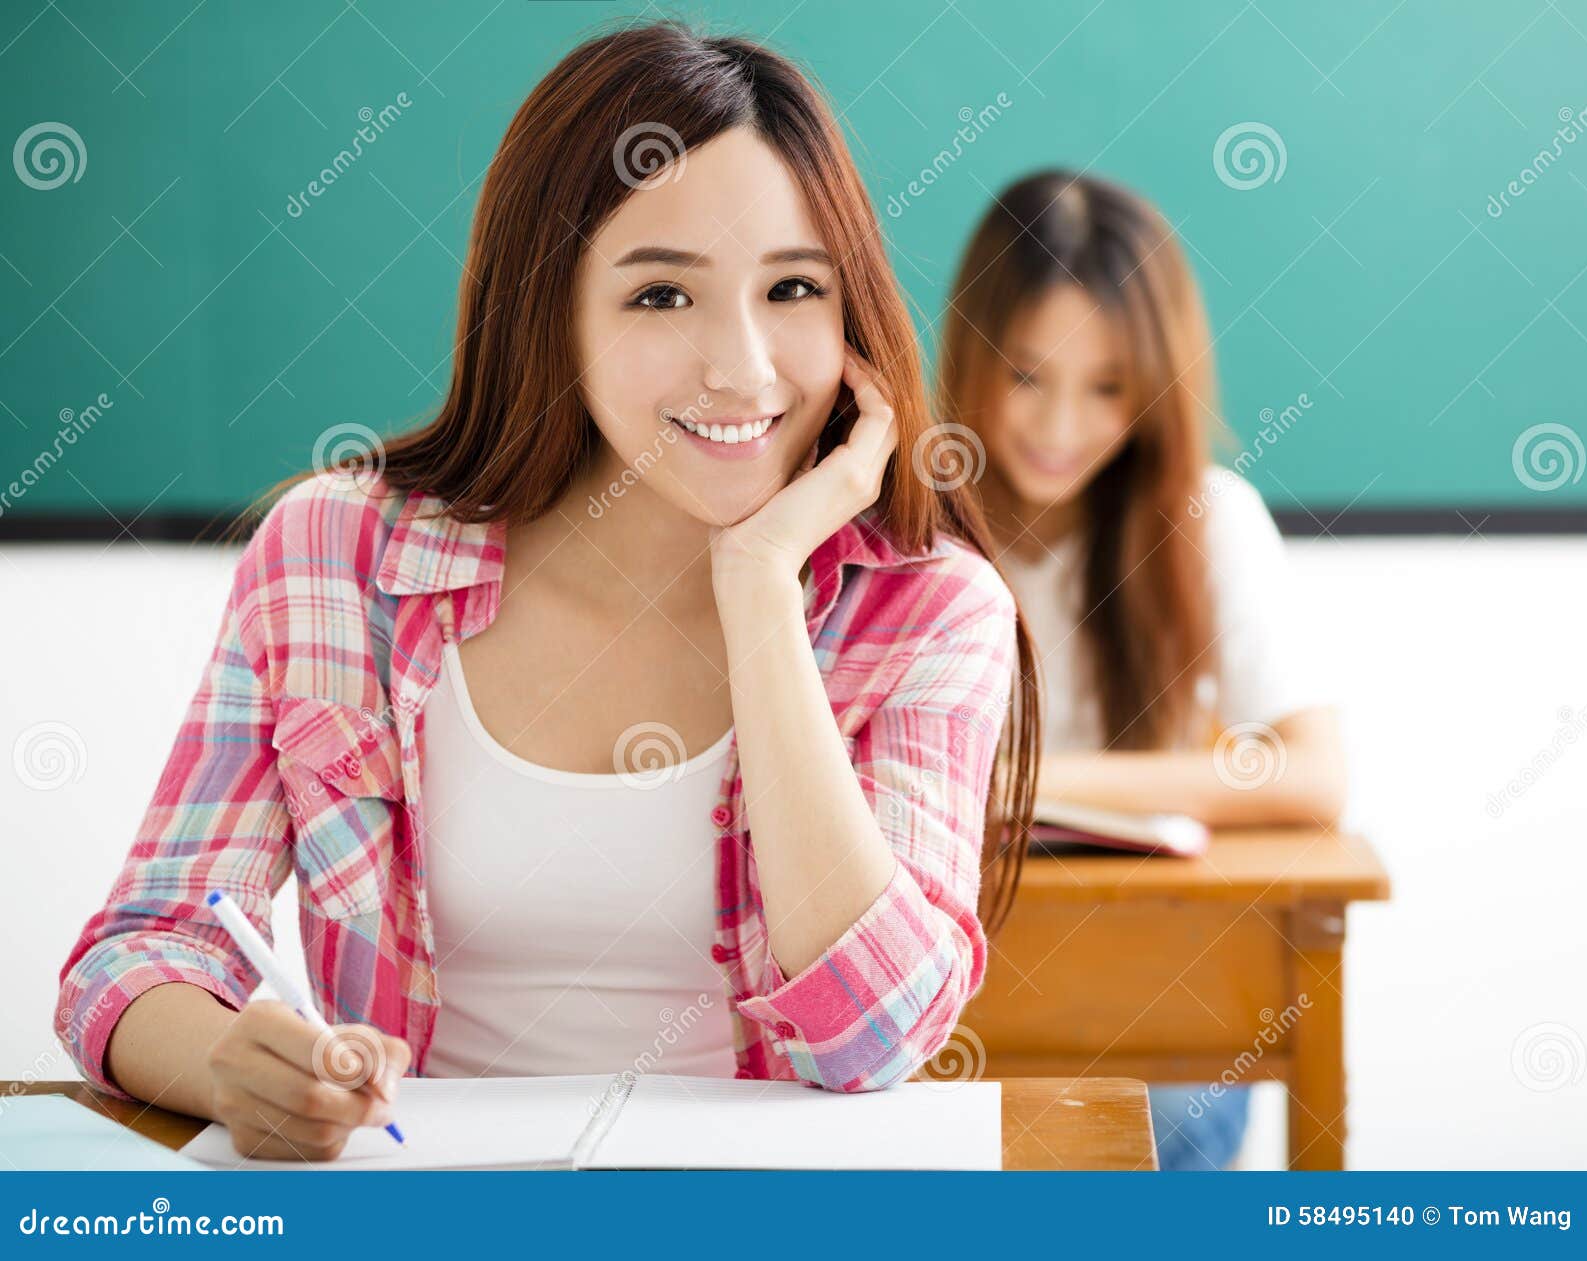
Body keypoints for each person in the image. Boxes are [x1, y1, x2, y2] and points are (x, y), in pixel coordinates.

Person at [55, 20, 1040, 1163]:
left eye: (791, 289)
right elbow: (137, 955)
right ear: (551, 309)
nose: (742, 365)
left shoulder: (926, 608)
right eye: (661, 296)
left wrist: (761, 586)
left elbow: (875, 1035)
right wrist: (232, 1063)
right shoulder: (335, 561)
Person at [937, 168, 1347, 1170]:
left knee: (1157, 1123)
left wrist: (1027, 786)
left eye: (1108, 386)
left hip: (1152, 988)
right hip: (953, 981)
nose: (1060, 424)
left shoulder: (1209, 522)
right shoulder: (909, 519)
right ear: (972, 350)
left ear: (1155, 384)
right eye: (1026, 374)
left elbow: (1313, 776)